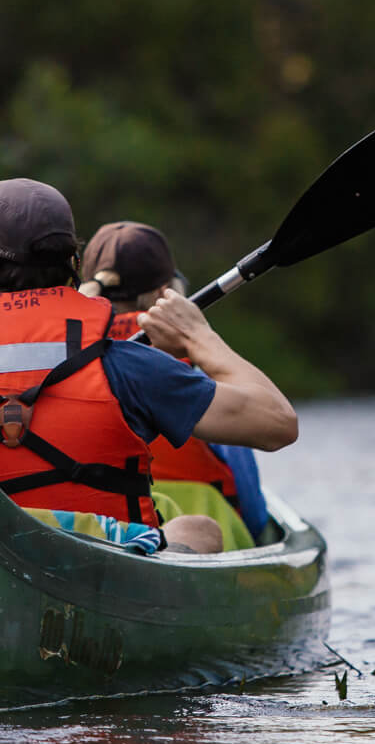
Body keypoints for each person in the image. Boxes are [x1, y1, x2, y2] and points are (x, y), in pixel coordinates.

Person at [0, 179, 298, 555]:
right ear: (71, 262)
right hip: (104, 560)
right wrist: (199, 336)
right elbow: (277, 424)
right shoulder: (128, 367)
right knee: (198, 530)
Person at [80, 220, 271, 547]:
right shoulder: (194, 383)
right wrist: (202, 339)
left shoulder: (69, 369)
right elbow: (253, 512)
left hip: (101, 534)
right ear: (165, 294)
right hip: (204, 537)